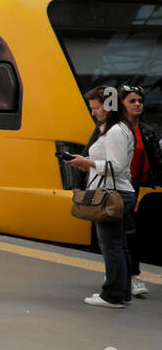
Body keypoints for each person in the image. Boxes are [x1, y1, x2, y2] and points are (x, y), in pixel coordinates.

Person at [67, 86, 136, 307]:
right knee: (119, 244)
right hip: (119, 192)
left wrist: (85, 162)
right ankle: (122, 293)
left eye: (96, 108)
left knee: (111, 246)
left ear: (108, 106)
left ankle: (112, 295)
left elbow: (116, 166)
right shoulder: (117, 128)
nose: (94, 112)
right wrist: (90, 165)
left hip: (112, 195)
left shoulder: (115, 131)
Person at [119, 85, 161, 298]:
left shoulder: (147, 131)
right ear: (122, 105)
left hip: (136, 189)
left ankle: (124, 276)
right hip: (116, 187)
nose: (137, 104)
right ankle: (130, 277)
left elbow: (156, 161)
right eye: (132, 101)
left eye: (140, 101)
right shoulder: (113, 128)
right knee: (126, 232)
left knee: (127, 233)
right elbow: (90, 151)